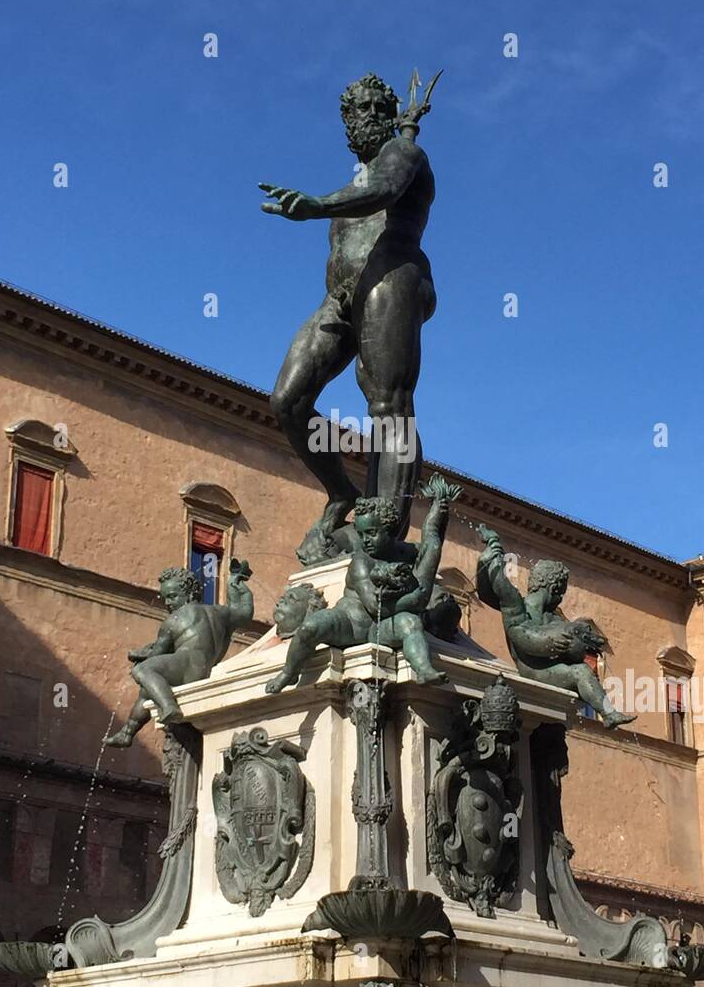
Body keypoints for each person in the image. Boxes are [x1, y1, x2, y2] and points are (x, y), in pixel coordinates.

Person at [260, 72, 438, 564]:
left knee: (388, 405)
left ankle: (384, 526)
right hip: (340, 299)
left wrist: (316, 205)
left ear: (383, 116)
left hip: (391, 278)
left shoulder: (404, 156)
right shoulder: (350, 185)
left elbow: (382, 192)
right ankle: (342, 492)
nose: (351, 126)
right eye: (347, 116)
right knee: (288, 400)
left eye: (360, 114)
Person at [265, 474, 462, 694]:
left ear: (389, 531)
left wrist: (439, 509)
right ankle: (289, 672)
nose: (365, 540)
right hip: (350, 623)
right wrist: (414, 599)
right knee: (311, 627)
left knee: (411, 624)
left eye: (371, 533)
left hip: (380, 628)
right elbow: (373, 606)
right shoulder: (361, 561)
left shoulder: (406, 553)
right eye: (361, 534)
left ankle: (424, 669)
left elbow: (431, 545)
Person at [476, 526, 635, 729]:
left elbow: (575, 654)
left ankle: (608, 713)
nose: (560, 598)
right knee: (581, 672)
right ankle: (608, 713)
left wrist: (579, 640)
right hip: (532, 671)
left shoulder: (555, 619)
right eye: (561, 593)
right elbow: (498, 583)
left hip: (548, 671)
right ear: (554, 588)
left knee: (581, 670)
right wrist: (492, 549)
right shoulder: (517, 606)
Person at [105, 558, 253, 747]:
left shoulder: (173, 620)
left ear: (190, 594)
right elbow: (244, 612)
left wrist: (141, 655)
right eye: (165, 597)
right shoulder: (220, 613)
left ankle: (169, 706)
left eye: (172, 596)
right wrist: (235, 582)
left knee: (142, 671)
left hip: (186, 667)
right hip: (204, 669)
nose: (167, 602)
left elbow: (156, 655)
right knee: (147, 691)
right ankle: (127, 732)